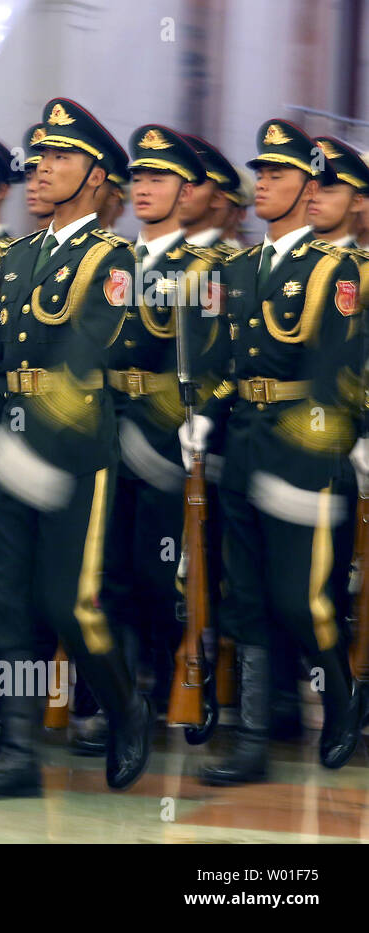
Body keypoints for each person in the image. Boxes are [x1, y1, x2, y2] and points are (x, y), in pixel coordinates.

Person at [0, 98, 152, 800]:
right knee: (8, 603)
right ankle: (17, 750)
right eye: (40, 157)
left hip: (71, 453)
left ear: (99, 178)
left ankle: (127, 706)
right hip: (6, 446)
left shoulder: (116, 259)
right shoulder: (16, 257)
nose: (42, 168)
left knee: (69, 604)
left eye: (62, 157)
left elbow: (83, 354)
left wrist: (35, 443)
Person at [189, 118, 366, 785]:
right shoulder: (235, 269)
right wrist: (203, 421)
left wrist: (340, 443)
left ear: (309, 189)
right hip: (245, 443)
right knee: (249, 598)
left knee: (303, 599)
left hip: (306, 451)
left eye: (280, 175)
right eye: (260, 173)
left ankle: (342, 699)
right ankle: (253, 742)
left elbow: (342, 368)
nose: (263, 183)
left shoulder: (337, 271)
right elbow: (219, 362)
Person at [100, 125, 224, 728]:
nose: (144, 189)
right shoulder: (110, 262)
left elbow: (212, 363)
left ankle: (168, 679)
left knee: (159, 576)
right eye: (139, 177)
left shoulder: (204, 269)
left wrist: (183, 428)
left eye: (160, 178)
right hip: (102, 436)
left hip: (161, 444)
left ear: (189, 191)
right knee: (109, 574)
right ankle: (124, 702)